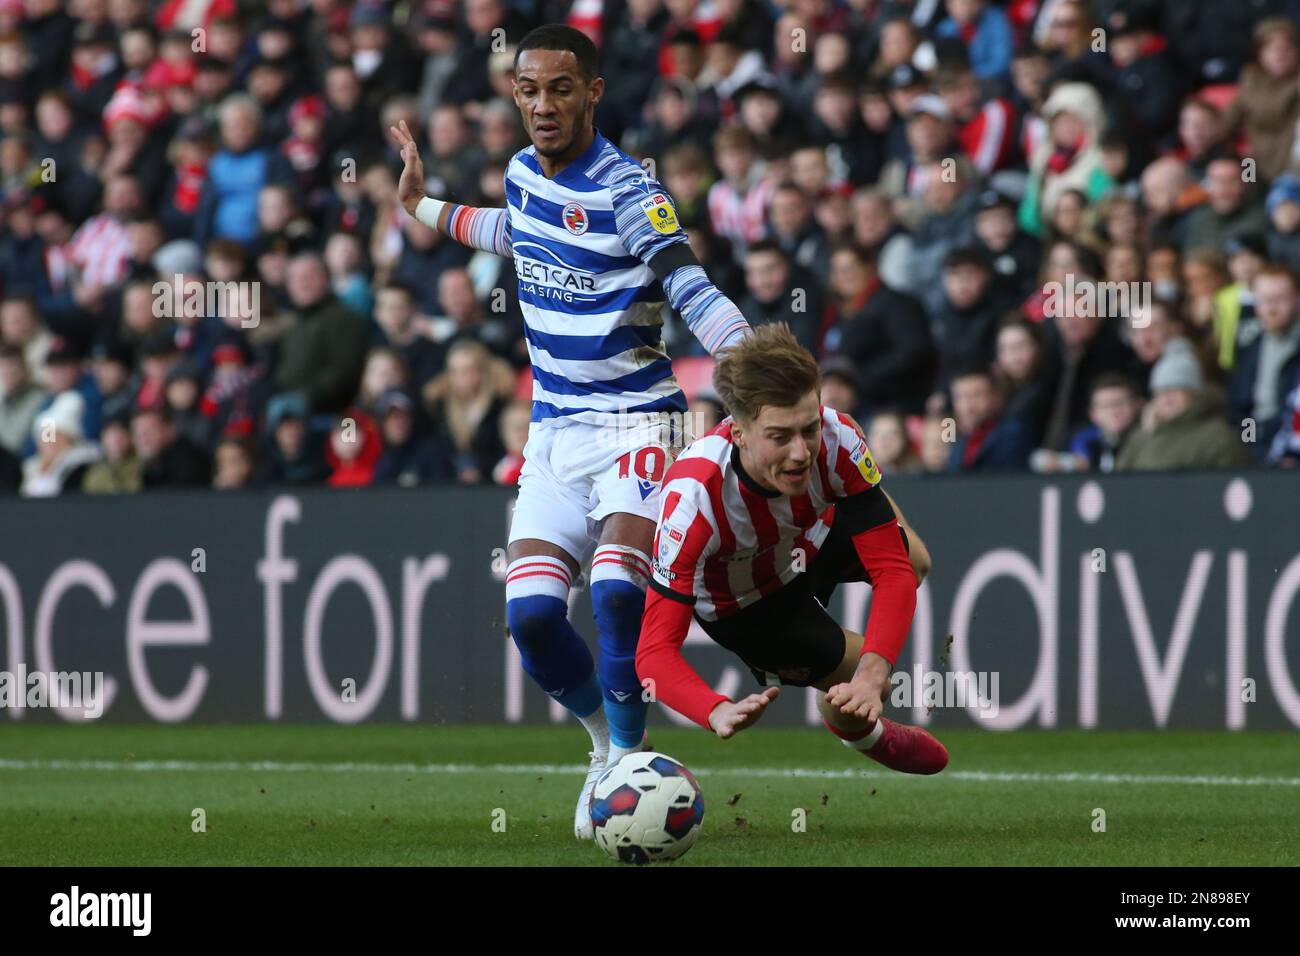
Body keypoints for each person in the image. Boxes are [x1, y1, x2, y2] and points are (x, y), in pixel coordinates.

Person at [389, 24, 753, 840]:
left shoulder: (631, 188)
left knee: (620, 594)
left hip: (640, 423)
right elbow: (512, 231)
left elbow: (688, 285)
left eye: (561, 88)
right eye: (529, 89)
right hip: (554, 433)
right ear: (513, 95)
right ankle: (603, 751)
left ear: (593, 91)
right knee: (532, 621)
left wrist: (751, 360)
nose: (543, 104)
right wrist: (420, 205)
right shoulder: (522, 173)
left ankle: (631, 760)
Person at [635, 323, 947, 775]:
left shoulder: (837, 436)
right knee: (864, 683)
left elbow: (894, 571)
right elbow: (653, 653)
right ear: (738, 433)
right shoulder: (694, 499)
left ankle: (862, 484)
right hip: (749, 605)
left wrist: (873, 673)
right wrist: (713, 709)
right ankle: (865, 735)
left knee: (915, 564)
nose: (801, 453)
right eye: (780, 437)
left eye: (809, 428)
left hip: (812, 536)